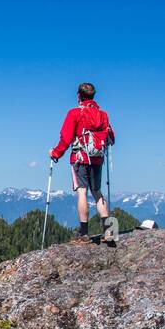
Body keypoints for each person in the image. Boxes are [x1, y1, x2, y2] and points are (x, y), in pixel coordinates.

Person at [49, 82, 115, 242]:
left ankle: (84, 233)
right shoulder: (103, 115)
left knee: (82, 192)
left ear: (79, 96)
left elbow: (65, 138)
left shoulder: (75, 113)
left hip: (80, 158)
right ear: (93, 96)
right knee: (97, 192)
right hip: (98, 158)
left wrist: (55, 153)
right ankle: (110, 231)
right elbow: (111, 138)